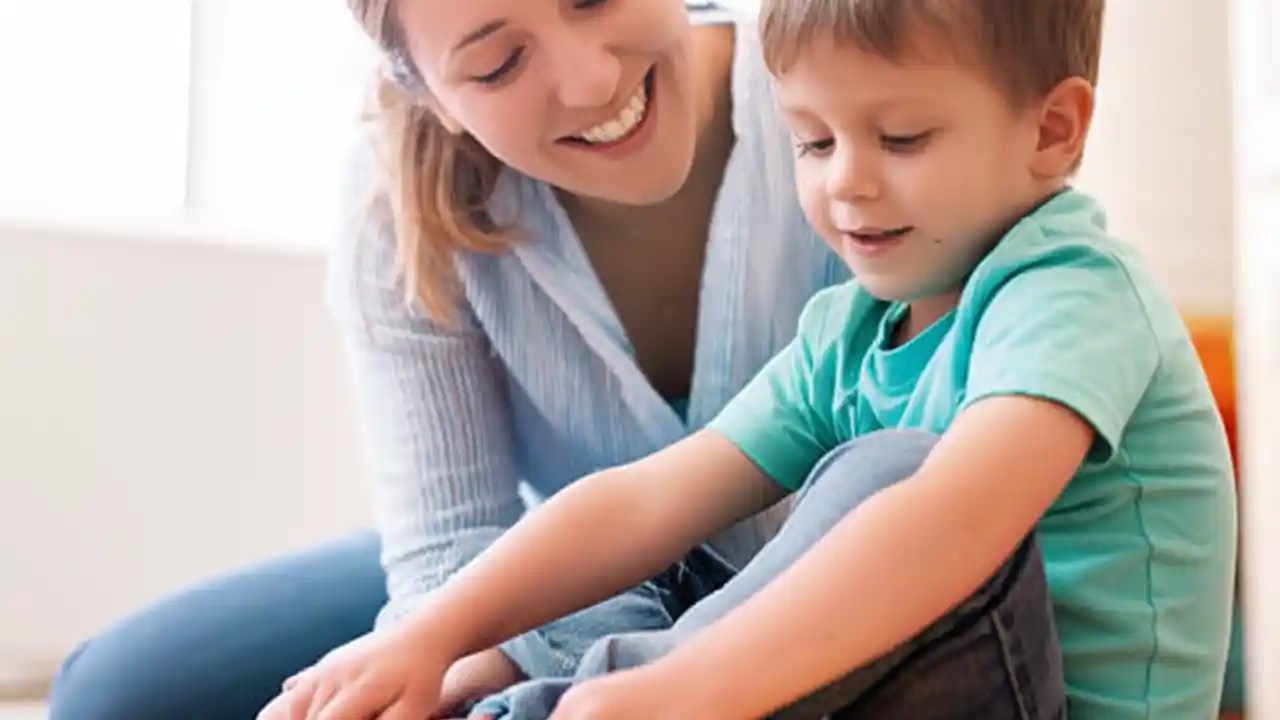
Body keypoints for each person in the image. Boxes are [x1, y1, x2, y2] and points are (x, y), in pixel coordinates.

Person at [258, 0, 1238, 718]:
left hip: (1043, 700)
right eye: (810, 142)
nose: (847, 182)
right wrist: (431, 637)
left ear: (1051, 131)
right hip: (887, 682)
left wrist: (678, 692)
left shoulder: (1071, 293)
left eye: (899, 137)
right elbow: (648, 499)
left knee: (889, 473)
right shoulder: (850, 327)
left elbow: (951, 524)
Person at [47, 2, 845, 719]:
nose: (591, 79)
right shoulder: (399, 199)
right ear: (432, 96)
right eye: (500, 64)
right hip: (534, 578)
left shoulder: (845, 94)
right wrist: (457, 662)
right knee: (114, 696)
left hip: (833, 574)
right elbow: (450, 550)